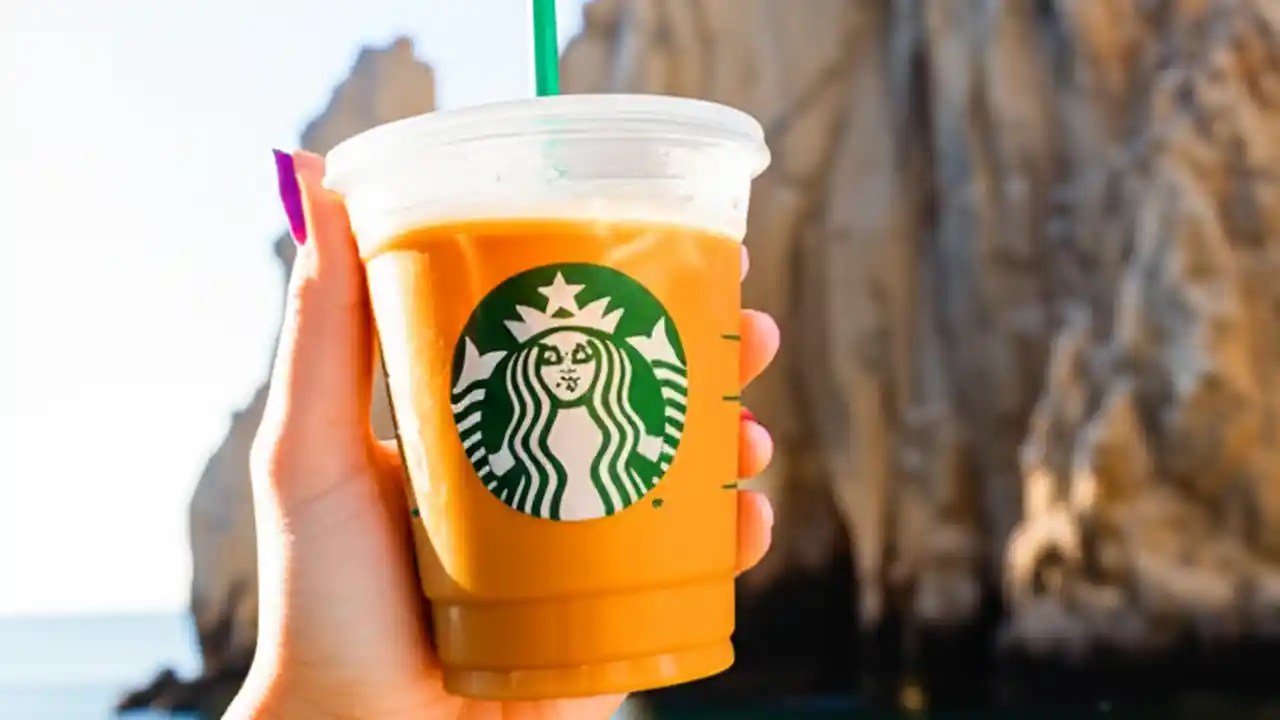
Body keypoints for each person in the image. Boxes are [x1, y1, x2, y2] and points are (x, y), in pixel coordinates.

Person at [224, 150, 780, 719]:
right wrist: (324, 707)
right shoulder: (522, 447)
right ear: (525, 368)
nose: (568, 369)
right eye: (551, 356)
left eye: (584, 353)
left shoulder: (623, 439)